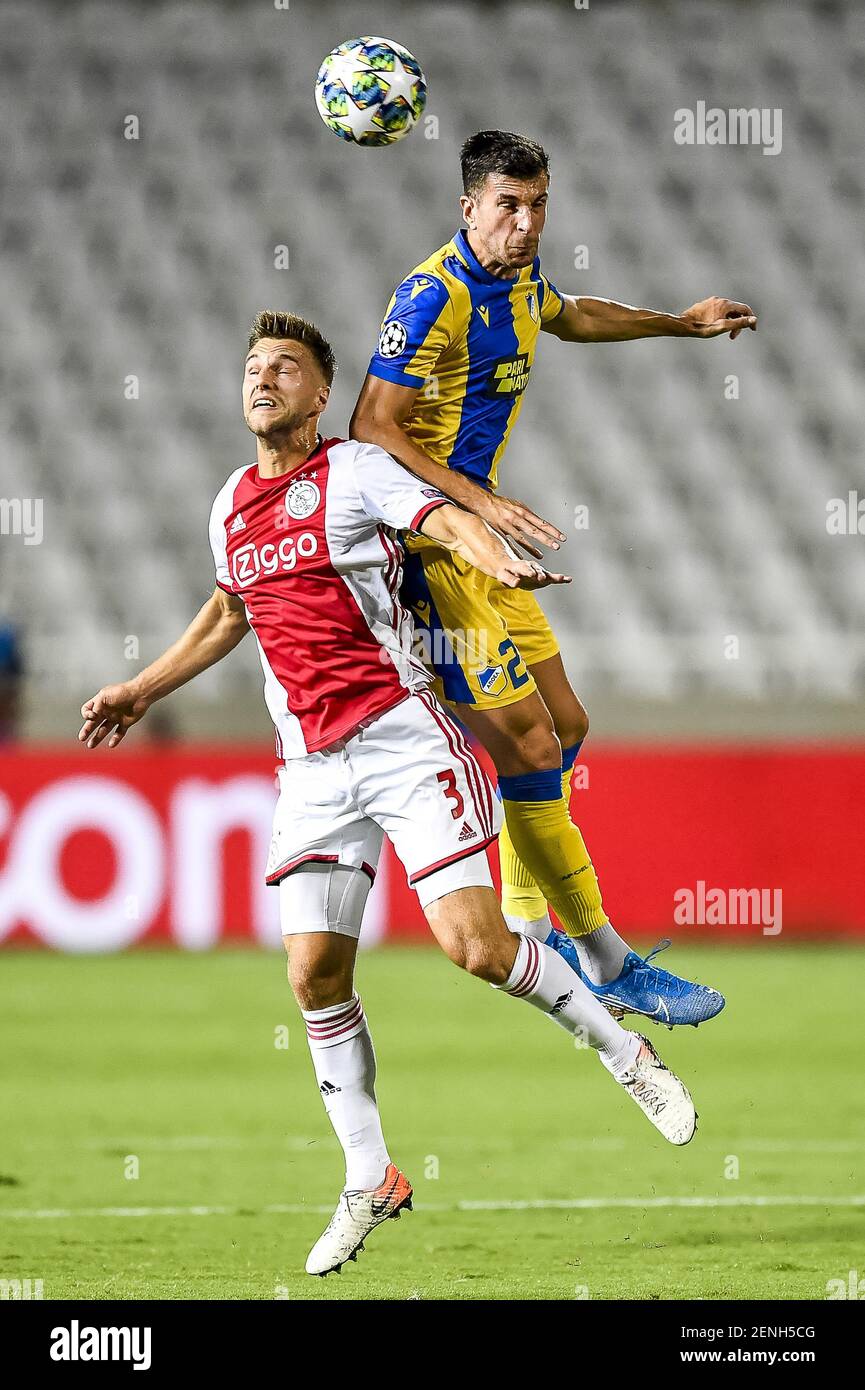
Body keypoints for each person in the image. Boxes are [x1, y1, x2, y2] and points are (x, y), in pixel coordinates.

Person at [79, 311, 697, 1277]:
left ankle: (629, 1058)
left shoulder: (354, 474)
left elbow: (440, 518)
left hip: (403, 743)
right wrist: (138, 689)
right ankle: (371, 1177)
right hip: (312, 771)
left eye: (285, 366)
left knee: (476, 948)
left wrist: (489, 547)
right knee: (314, 978)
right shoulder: (230, 503)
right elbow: (227, 611)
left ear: (322, 394)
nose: (264, 378)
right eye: (252, 366)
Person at [350, 128, 752, 1026]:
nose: (526, 223)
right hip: (429, 549)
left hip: (479, 537)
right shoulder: (431, 296)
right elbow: (371, 426)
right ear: (468, 209)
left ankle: (534, 918)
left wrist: (676, 322)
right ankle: (606, 960)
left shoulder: (519, 279)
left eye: (537, 205)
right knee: (528, 749)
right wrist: (475, 503)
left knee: (565, 727)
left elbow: (569, 315)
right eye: (507, 206)